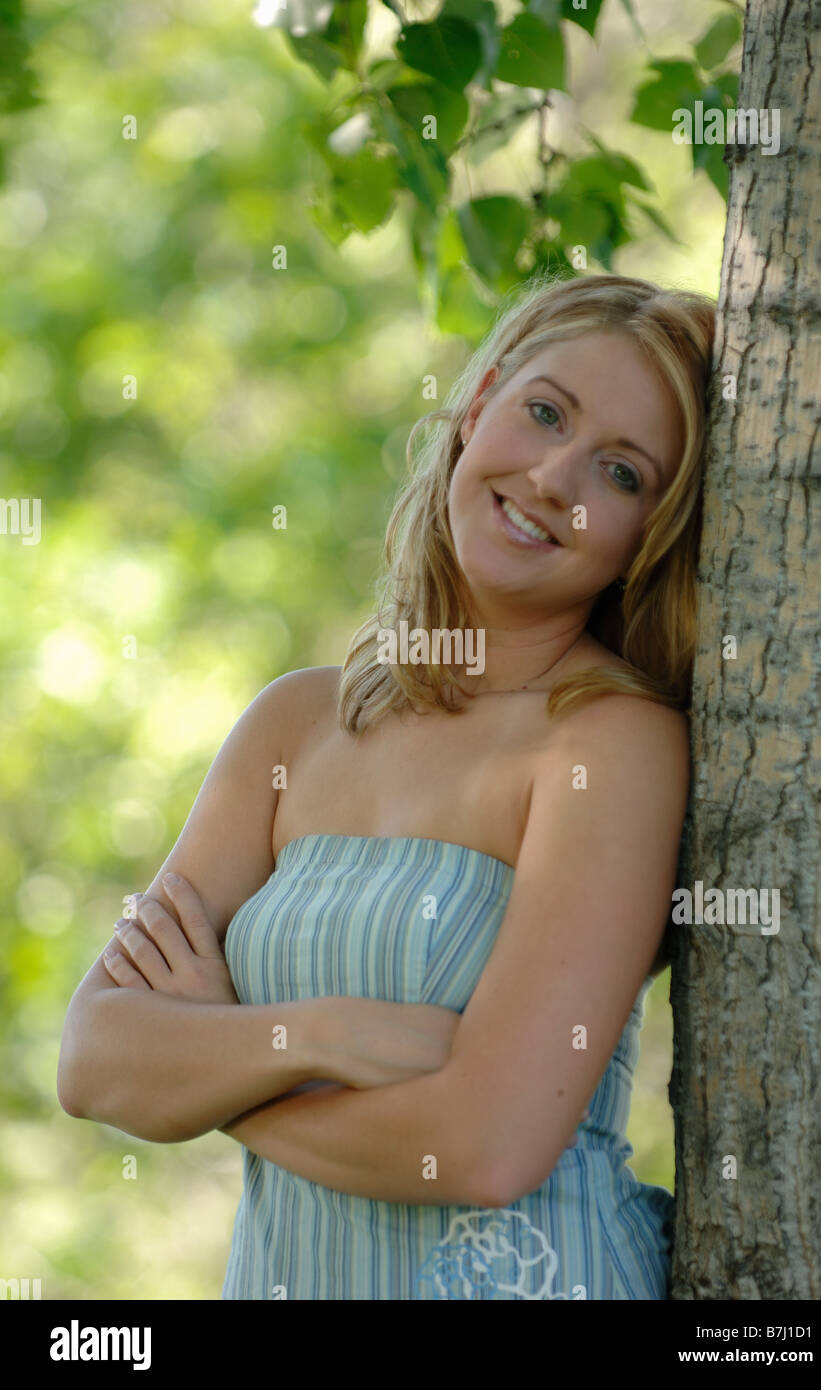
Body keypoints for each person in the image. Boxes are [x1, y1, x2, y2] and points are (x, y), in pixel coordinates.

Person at [58, 268, 716, 1300]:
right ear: (480, 400)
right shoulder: (298, 721)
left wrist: (213, 1076)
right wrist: (317, 1035)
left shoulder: (610, 745)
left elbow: (488, 1145)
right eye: (543, 412)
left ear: (650, 535)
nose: (551, 476)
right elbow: (95, 1058)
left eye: (620, 474)